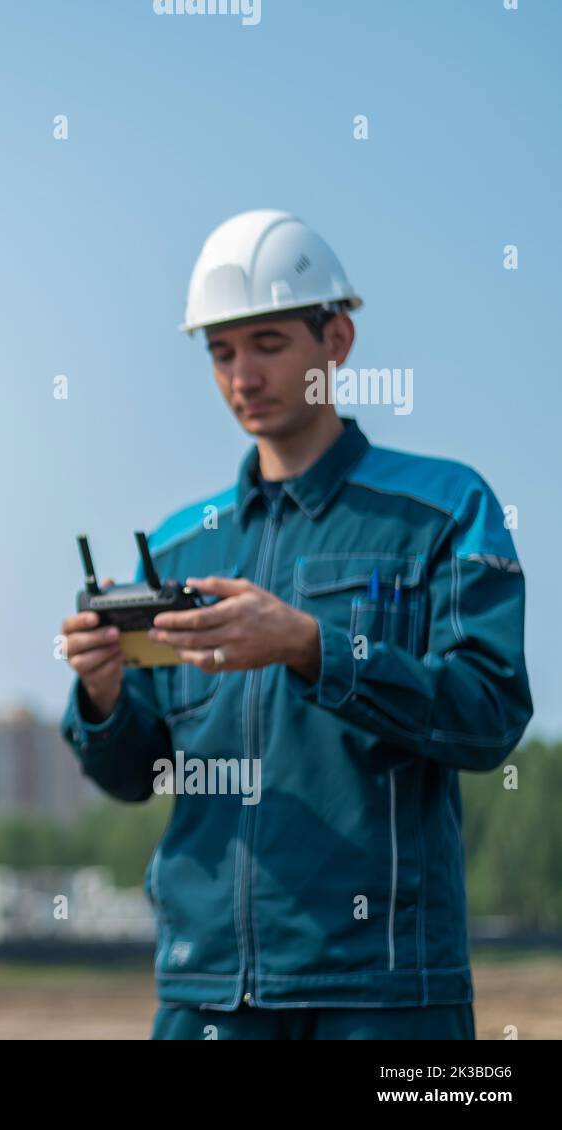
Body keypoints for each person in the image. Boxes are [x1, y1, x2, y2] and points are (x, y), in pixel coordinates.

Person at [59, 210, 532, 1040]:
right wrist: (100, 697)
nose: (243, 374)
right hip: (204, 994)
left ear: (336, 340)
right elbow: (141, 775)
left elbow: (487, 715)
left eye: (268, 344)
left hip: (387, 995)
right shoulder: (177, 547)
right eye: (220, 352)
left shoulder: (444, 510)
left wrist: (313, 649)